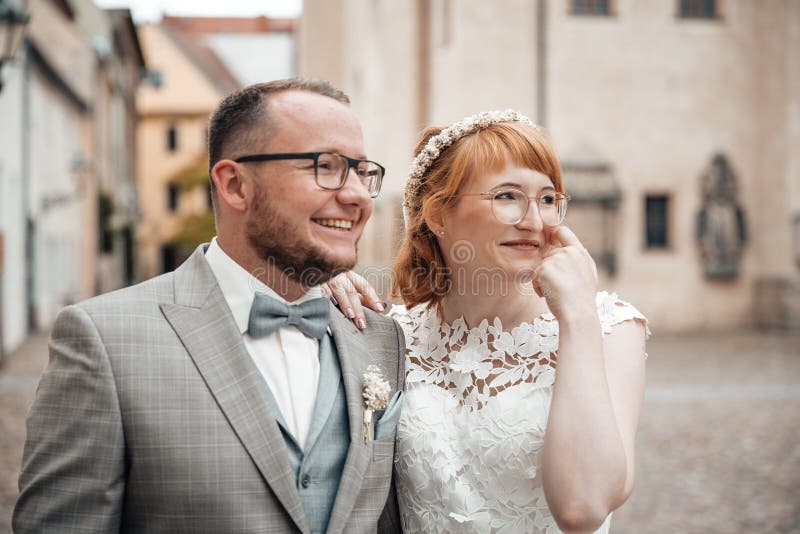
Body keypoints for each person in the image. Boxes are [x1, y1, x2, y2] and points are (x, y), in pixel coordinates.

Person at [13, 78, 405, 534]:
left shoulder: (379, 336)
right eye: (327, 167)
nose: (357, 194)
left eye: (362, 171)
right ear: (235, 184)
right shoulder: (104, 341)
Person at [327, 110, 649, 533]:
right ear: (439, 215)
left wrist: (577, 316)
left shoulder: (610, 328)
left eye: (548, 199)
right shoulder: (390, 336)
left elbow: (583, 508)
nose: (534, 222)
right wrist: (320, 287)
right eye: (507, 196)